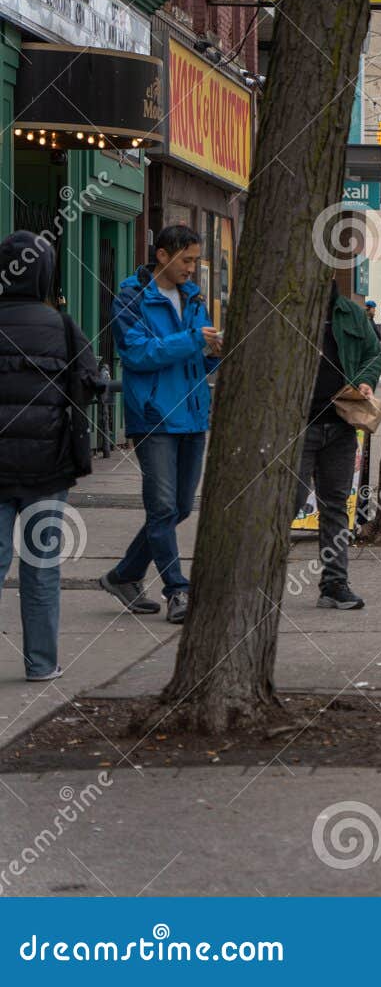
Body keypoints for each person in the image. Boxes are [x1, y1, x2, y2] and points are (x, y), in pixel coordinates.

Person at [99, 224, 220, 626]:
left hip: (192, 415)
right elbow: (137, 354)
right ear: (163, 256)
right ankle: (177, 590)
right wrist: (194, 341)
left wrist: (215, 353)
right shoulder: (132, 298)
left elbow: (199, 362)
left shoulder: (194, 297)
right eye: (186, 260)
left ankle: (124, 575)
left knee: (180, 507)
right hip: (154, 418)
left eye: (195, 260)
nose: (191, 268)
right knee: (163, 506)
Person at [0, 233, 103, 680]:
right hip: (48, 467)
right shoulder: (62, 326)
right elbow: (92, 380)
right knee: (41, 567)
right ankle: (41, 664)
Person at [293, 280, 381, 611]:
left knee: (335, 506)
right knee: (289, 501)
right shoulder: (288, 308)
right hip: (298, 426)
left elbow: (374, 354)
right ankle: (258, 581)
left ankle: (334, 583)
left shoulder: (349, 313)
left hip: (341, 423)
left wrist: (365, 379)